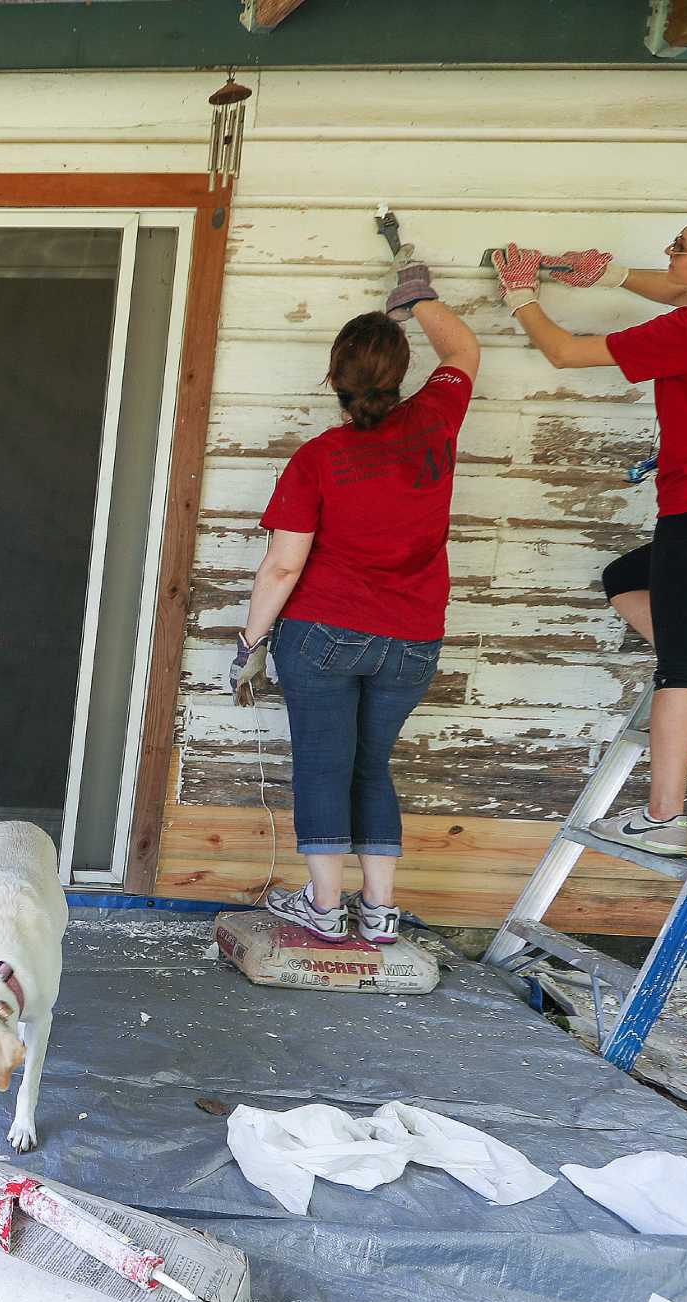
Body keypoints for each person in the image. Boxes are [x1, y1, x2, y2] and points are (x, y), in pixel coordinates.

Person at [490, 191, 687, 856]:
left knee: (682, 667)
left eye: (681, 247)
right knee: (625, 578)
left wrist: (521, 292)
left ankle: (664, 815)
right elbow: (680, 292)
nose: (669, 254)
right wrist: (605, 274)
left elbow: (565, 352)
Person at [228, 255, 482, 942]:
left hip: (324, 636)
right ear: (399, 375)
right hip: (412, 641)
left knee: (322, 764)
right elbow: (463, 348)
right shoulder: (437, 416)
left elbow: (283, 567)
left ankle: (322, 907)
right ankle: (377, 914)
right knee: (372, 766)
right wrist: (417, 300)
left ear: (335, 379)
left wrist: (249, 645)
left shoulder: (319, 459)